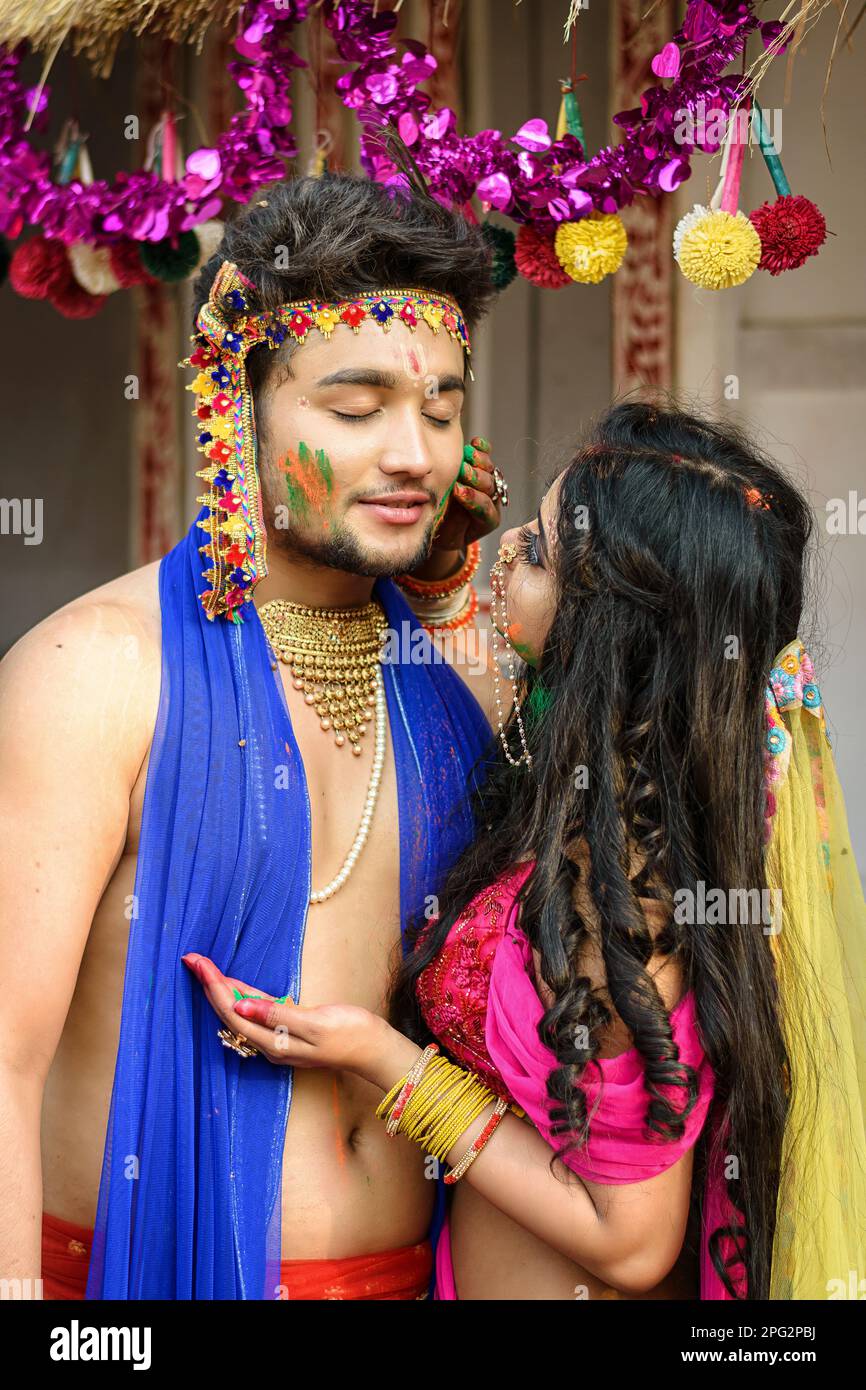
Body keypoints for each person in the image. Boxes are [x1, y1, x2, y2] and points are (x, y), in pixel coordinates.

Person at [213, 401, 866, 1300]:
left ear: (605, 633)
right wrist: (441, 572)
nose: (507, 545)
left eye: (539, 554)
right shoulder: (602, 801)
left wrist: (380, 1059)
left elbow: (630, 1238)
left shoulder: (627, 885)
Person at [0, 165, 509, 1299]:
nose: (413, 456)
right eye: (354, 405)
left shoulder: (454, 687)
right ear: (235, 406)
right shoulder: (99, 673)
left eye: (440, 408)